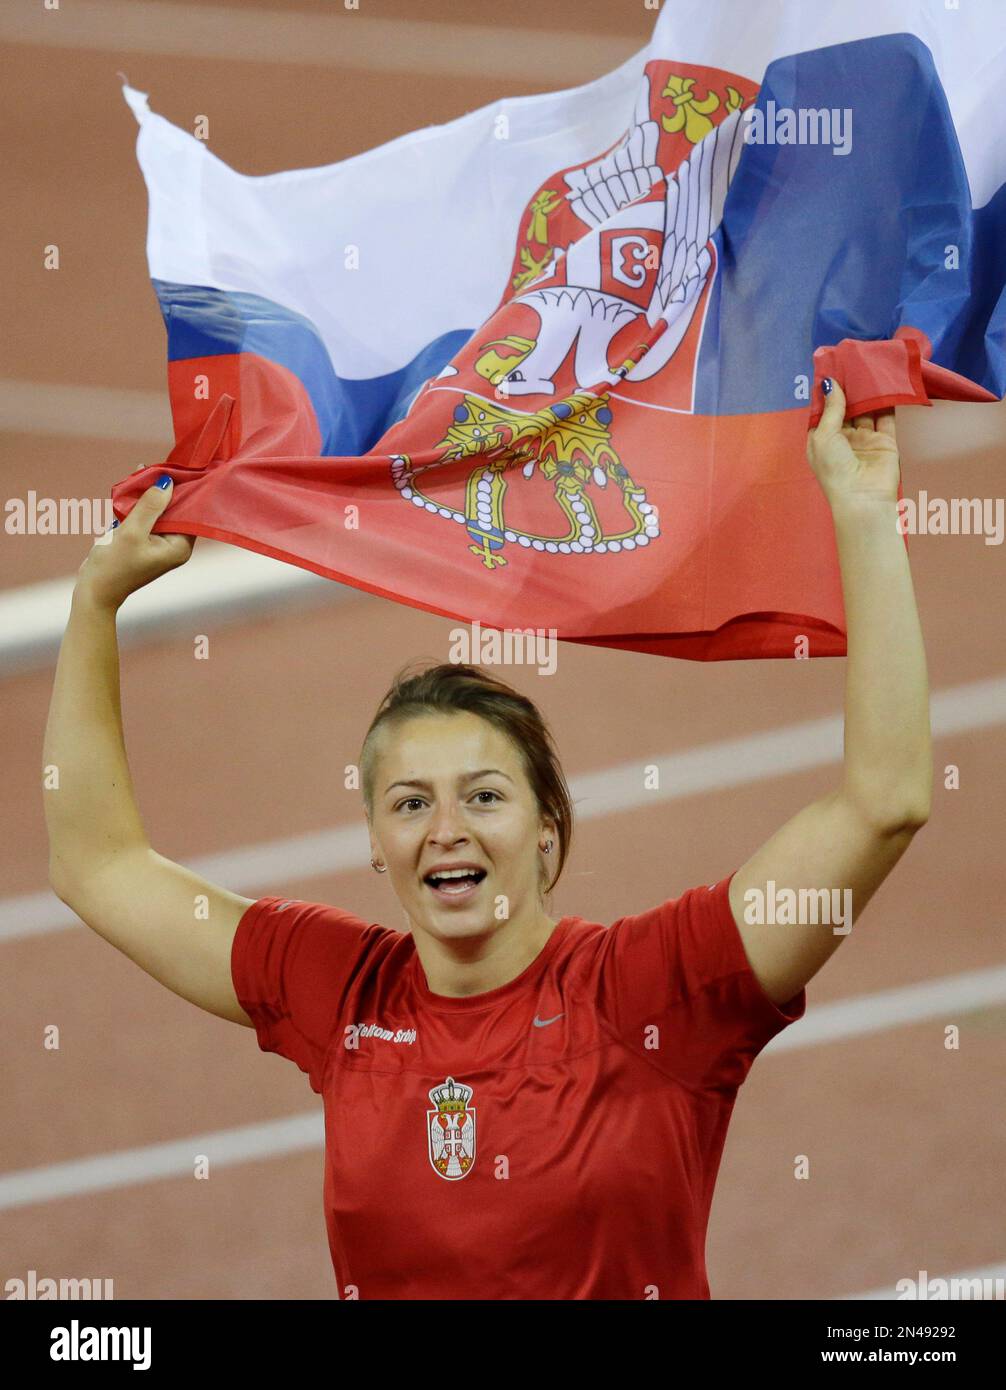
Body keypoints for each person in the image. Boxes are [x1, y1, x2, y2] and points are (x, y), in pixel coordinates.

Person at [43, 376, 931, 1299]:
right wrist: (94, 603)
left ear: (548, 830)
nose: (447, 831)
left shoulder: (652, 987)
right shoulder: (337, 990)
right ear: (376, 843)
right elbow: (97, 866)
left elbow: (885, 803)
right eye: (412, 804)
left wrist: (864, 514)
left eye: (484, 796)